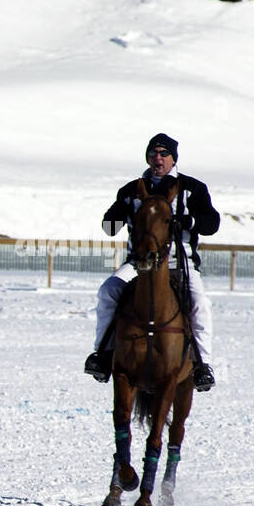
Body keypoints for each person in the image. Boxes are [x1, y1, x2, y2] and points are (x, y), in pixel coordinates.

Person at [85, 132, 219, 391]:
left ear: (173, 158)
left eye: (163, 153)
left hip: (180, 263)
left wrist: (187, 221)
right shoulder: (131, 190)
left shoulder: (193, 188)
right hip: (139, 263)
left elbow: (212, 223)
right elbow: (110, 227)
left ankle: (203, 365)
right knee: (108, 291)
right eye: (153, 153)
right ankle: (103, 355)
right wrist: (117, 215)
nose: (158, 159)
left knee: (200, 303)